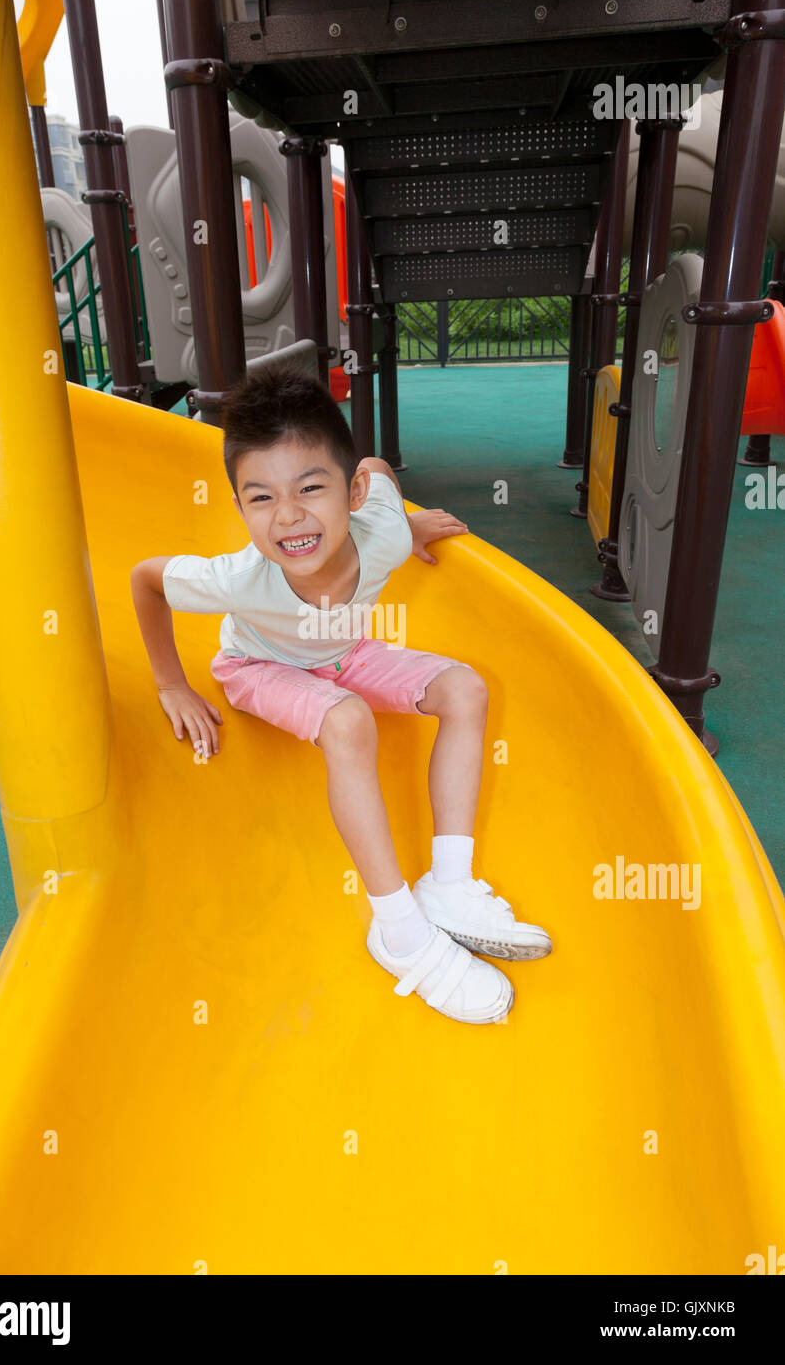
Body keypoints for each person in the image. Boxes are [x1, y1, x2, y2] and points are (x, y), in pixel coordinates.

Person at [131, 363, 551, 1026]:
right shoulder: (235, 579)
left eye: (311, 488)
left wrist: (407, 531)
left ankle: (450, 882)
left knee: (464, 689)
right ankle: (398, 929)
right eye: (261, 498)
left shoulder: (380, 530)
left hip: (343, 650)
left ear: (351, 492)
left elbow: (379, 466)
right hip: (256, 665)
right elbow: (145, 579)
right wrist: (170, 683)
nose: (290, 517)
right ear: (239, 507)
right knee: (349, 721)